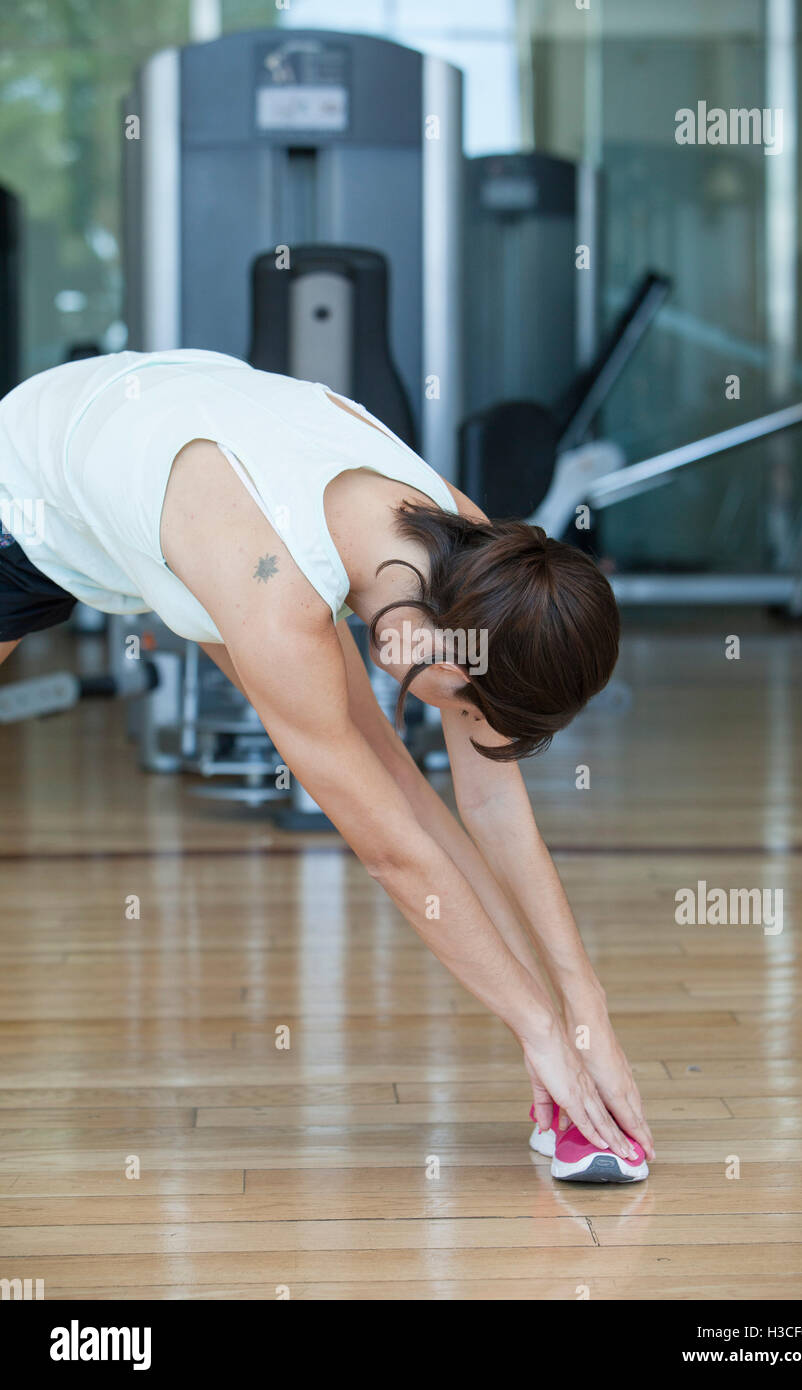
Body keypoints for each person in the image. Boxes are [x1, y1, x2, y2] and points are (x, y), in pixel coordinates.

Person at [0, 348, 655, 1169]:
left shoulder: (481, 560)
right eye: (465, 706)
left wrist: (582, 1009)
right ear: (449, 656)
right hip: (31, 483)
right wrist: (537, 1031)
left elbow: (486, 802)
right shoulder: (278, 600)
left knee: (385, 762)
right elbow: (395, 854)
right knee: (375, 769)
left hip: (163, 462)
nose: (460, 723)